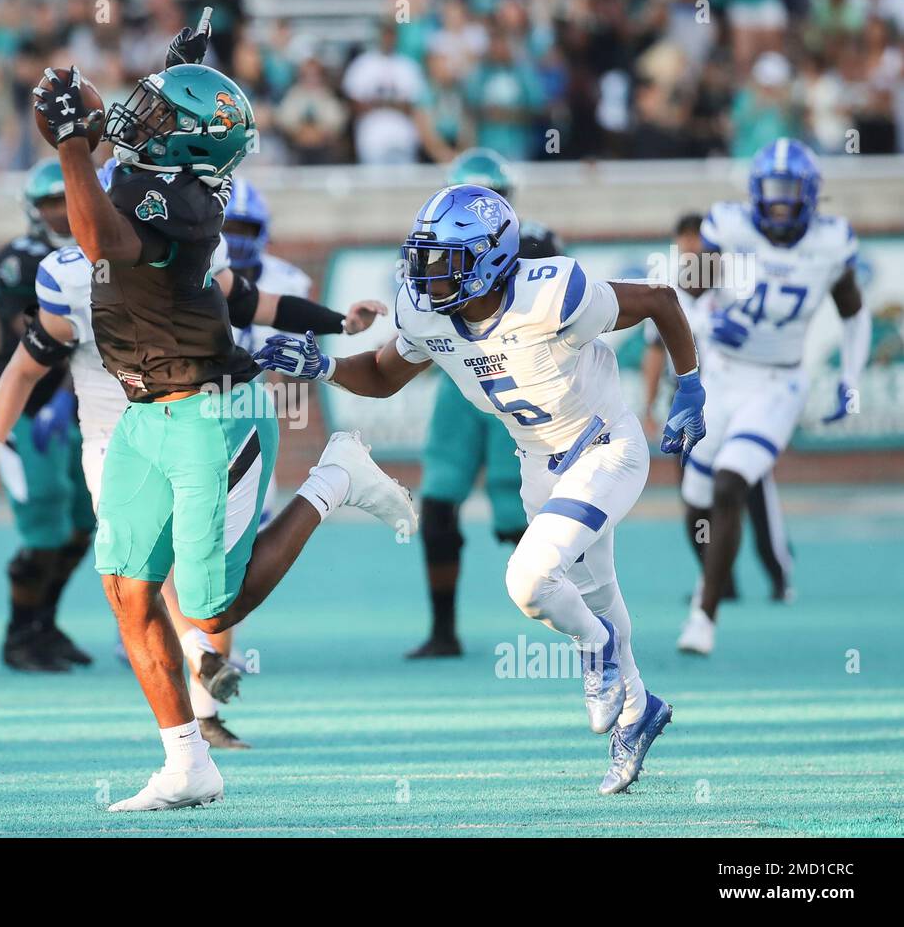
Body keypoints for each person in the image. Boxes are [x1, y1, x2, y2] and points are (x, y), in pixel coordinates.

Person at [9, 50, 416, 810]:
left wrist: (71, 145)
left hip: (213, 410)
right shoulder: (152, 181)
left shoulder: (190, 203)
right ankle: (186, 762)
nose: (139, 121)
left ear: (190, 143)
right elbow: (149, 237)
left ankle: (338, 476)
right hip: (140, 414)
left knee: (209, 609)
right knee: (130, 593)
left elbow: (103, 242)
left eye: (161, 117)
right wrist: (150, 94)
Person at [256, 184, 705, 793]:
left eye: (443, 261)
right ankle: (639, 709)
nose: (427, 276)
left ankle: (596, 655)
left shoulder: (552, 294)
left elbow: (658, 298)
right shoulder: (428, 313)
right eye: (423, 259)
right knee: (595, 594)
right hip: (538, 462)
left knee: (530, 581)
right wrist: (326, 365)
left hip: (606, 448)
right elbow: (386, 375)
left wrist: (689, 386)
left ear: (492, 258)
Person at [677, 139, 867, 655]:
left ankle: (704, 615)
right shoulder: (727, 228)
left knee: (731, 485)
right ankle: (715, 579)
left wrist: (851, 377)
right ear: (757, 193)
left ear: (810, 195)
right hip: (721, 376)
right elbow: (684, 296)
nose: (781, 204)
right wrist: (711, 325)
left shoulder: (832, 242)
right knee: (694, 502)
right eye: (773, 192)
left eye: (791, 193)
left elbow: (853, 313)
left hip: (778, 383)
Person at [409, 147, 563, 659]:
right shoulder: (429, 245)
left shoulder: (536, 243)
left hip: (514, 387)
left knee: (519, 517)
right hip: (460, 390)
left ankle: (571, 627)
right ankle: (443, 629)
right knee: (436, 507)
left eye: (493, 199)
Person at [0, 158, 97, 673]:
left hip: (77, 406)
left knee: (84, 521)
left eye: (68, 203)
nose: (62, 214)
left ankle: (44, 622)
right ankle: (18, 634)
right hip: (25, 405)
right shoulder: (21, 260)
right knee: (44, 521)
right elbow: (32, 335)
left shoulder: (100, 253)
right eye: (52, 204)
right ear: (34, 209)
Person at [640, 212, 793, 614]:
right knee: (696, 501)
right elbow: (655, 352)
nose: (692, 250)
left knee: (753, 492)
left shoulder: (735, 286)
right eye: (685, 241)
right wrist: (649, 405)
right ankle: (718, 581)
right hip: (693, 412)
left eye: (698, 241)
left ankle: (778, 574)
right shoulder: (668, 292)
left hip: (739, 403)